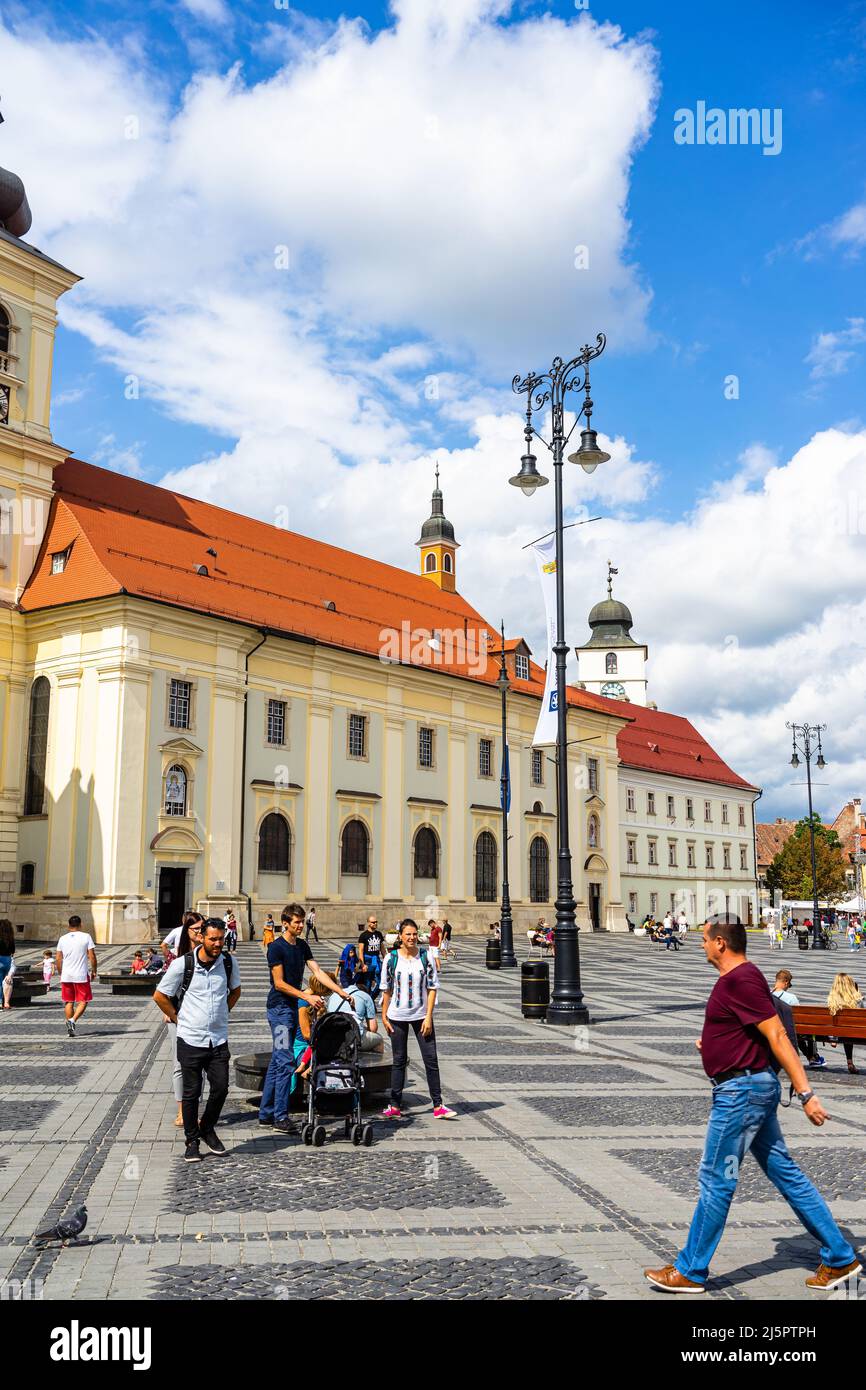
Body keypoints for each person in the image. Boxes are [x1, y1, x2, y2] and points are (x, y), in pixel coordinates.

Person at [644, 915, 861, 1294]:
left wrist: (806, 1093)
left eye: (705, 939)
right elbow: (752, 1031)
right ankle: (841, 1257)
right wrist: (713, 1044)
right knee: (785, 1173)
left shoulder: (741, 979)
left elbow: (777, 1035)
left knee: (717, 1179)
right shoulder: (743, 979)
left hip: (740, 1096)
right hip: (750, 1090)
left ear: (721, 944)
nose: (701, 945)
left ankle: (691, 1270)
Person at [258, 903, 354, 1134]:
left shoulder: (302, 946)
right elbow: (279, 983)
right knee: (284, 1061)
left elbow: (317, 972)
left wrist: (340, 991)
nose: (301, 926)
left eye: (302, 922)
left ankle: (266, 1113)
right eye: (296, 922)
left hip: (290, 1009)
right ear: (286, 923)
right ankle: (280, 1117)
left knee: (276, 1062)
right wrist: (306, 997)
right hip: (279, 1012)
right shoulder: (276, 948)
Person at [153, 918, 241, 1162]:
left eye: (221, 939)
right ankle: (192, 1141)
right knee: (191, 1093)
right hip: (190, 1038)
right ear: (201, 937)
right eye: (213, 939)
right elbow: (160, 995)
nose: (217, 943)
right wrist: (177, 1018)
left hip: (218, 1039)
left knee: (221, 1087)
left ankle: (207, 1128)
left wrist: (224, 1012)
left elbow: (236, 990)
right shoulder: (184, 964)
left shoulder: (229, 962)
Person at [380, 918, 456, 1121]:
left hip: (421, 1016)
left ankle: (438, 1105)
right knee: (399, 1060)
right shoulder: (391, 958)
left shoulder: (426, 956)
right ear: (401, 937)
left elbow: (432, 988)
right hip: (397, 1016)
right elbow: (386, 989)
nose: (412, 937)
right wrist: (384, 1016)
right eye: (408, 934)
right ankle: (395, 1105)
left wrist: (429, 1017)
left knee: (431, 1059)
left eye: (414, 934)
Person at [56, 915, 97, 1038]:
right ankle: (72, 1020)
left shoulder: (62, 939)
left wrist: (60, 972)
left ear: (69, 926)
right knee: (83, 1000)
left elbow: (58, 958)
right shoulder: (86, 936)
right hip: (81, 975)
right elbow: (92, 956)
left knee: (69, 1001)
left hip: (66, 975)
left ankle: (71, 1029)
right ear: (80, 925)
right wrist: (94, 970)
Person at [772, 969, 822, 1068]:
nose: (788, 988)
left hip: (772, 1029)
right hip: (788, 1030)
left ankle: (811, 1057)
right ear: (786, 982)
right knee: (805, 1032)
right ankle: (812, 1057)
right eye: (789, 985)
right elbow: (799, 1019)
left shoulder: (767, 996)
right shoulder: (791, 998)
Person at [827, 973, 863, 1075]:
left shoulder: (831, 1001)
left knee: (844, 1030)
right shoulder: (858, 1000)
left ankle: (849, 1061)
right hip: (857, 1032)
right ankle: (850, 1062)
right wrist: (858, 993)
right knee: (849, 1030)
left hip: (839, 1033)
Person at [357, 914, 384, 997]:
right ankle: (368, 1000)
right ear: (368, 923)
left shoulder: (379, 934)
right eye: (373, 922)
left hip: (377, 960)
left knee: (380, 983)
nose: (375, 924)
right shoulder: (363, 935)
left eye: (376, 922)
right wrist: (362, 964)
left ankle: (371, 999)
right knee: (367, 984)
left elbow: (382, 948)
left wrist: (386, 960)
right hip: (368, 961)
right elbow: (360, 951)